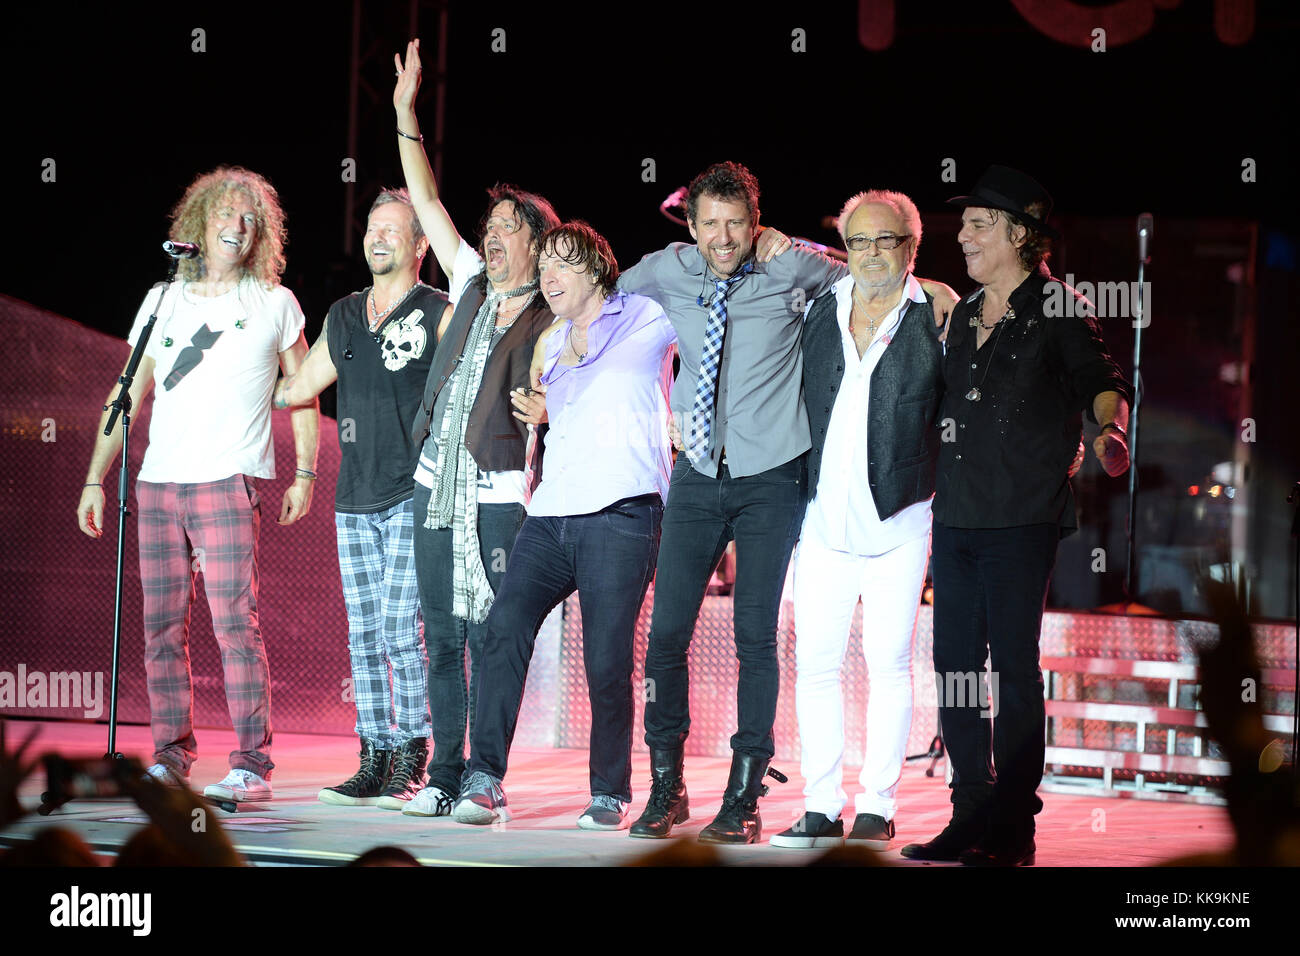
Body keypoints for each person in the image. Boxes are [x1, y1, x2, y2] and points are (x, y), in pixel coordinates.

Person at [622, 161, 958, 844]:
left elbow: (867, 270)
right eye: (709, 222)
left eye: (737, 223)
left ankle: (761, 798)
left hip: (785, 483)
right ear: (690, 225)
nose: (723, 236)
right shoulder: (666, 269)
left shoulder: (800, 271)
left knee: (771, 642)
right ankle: (670, 786)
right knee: (667, 638)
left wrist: (926, 285)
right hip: (710, 479)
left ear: (757, 223)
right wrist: (558, 346)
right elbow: (601, 303)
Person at [901, 165, 1131, 866]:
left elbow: (1101, 383)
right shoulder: (966, 313)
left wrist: (1108, 432)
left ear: (1020, 236)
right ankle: (969, 810)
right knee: (955, 669)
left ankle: (1012, 825)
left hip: (1022, 518)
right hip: (959, 516)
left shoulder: (1061, 306)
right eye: (965, 223)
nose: (963, 234)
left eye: (978, 223)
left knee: (1013, 671)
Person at [76, 167, 318, 804]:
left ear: (259, 231)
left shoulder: (275, 301)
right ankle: (169, 755)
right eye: (225, 214)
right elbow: (129, 390)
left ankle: (250, 766)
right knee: (161, 628)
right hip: (157, 484)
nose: (235, 226)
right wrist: (95, 478)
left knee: (235, 623)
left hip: (227, 481)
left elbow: (306, 394)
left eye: (248, 218)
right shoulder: (164, 300)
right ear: (198, 225)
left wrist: (306, 472)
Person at [452, 222, 676, 829]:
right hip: (550, 514)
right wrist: (549, 412)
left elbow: (713, 319)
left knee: (606, 660)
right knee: (504, 629)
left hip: (623, 512)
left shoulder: (649, 317)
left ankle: (610, 790)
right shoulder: (550, 341)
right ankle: (483, 779)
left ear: (599, 270)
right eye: (543, 265)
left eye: (562, 265)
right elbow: (573, 415)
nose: (548, 276)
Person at [391, 39, 560, 818]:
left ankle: (486, 778)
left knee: (493, 638)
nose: (489, 235)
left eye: (505, 226)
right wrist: (404, 112)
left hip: (499, 494)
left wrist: (552, 409)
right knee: (442, 636)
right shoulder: (467, 283)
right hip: (436, 486)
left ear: (537, 241)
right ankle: (445, 773)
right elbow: (426, 203)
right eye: (486, 224)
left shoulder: (554, 313)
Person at [770, 190, 945, 850]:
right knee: (814, 665)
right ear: (846, 250)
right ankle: (820, 806)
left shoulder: (936, 313)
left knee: (888, 663)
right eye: (860, 242)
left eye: (887, 241)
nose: (872, 254)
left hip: (901, 520)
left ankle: (877, 805)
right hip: (821, 523)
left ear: (911, 249)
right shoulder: (821, 311)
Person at [274, 189, 452, 809]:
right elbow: (297, 386)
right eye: (372, 228)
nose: (377, 238)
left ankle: (413, 753)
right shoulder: (345, 314)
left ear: (420, 243)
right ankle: (373, 754)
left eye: (393, 229)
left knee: (403, 630)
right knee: (364, 634)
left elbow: (473, 382)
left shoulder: (439, 310)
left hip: (412, 493)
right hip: (353, 499)